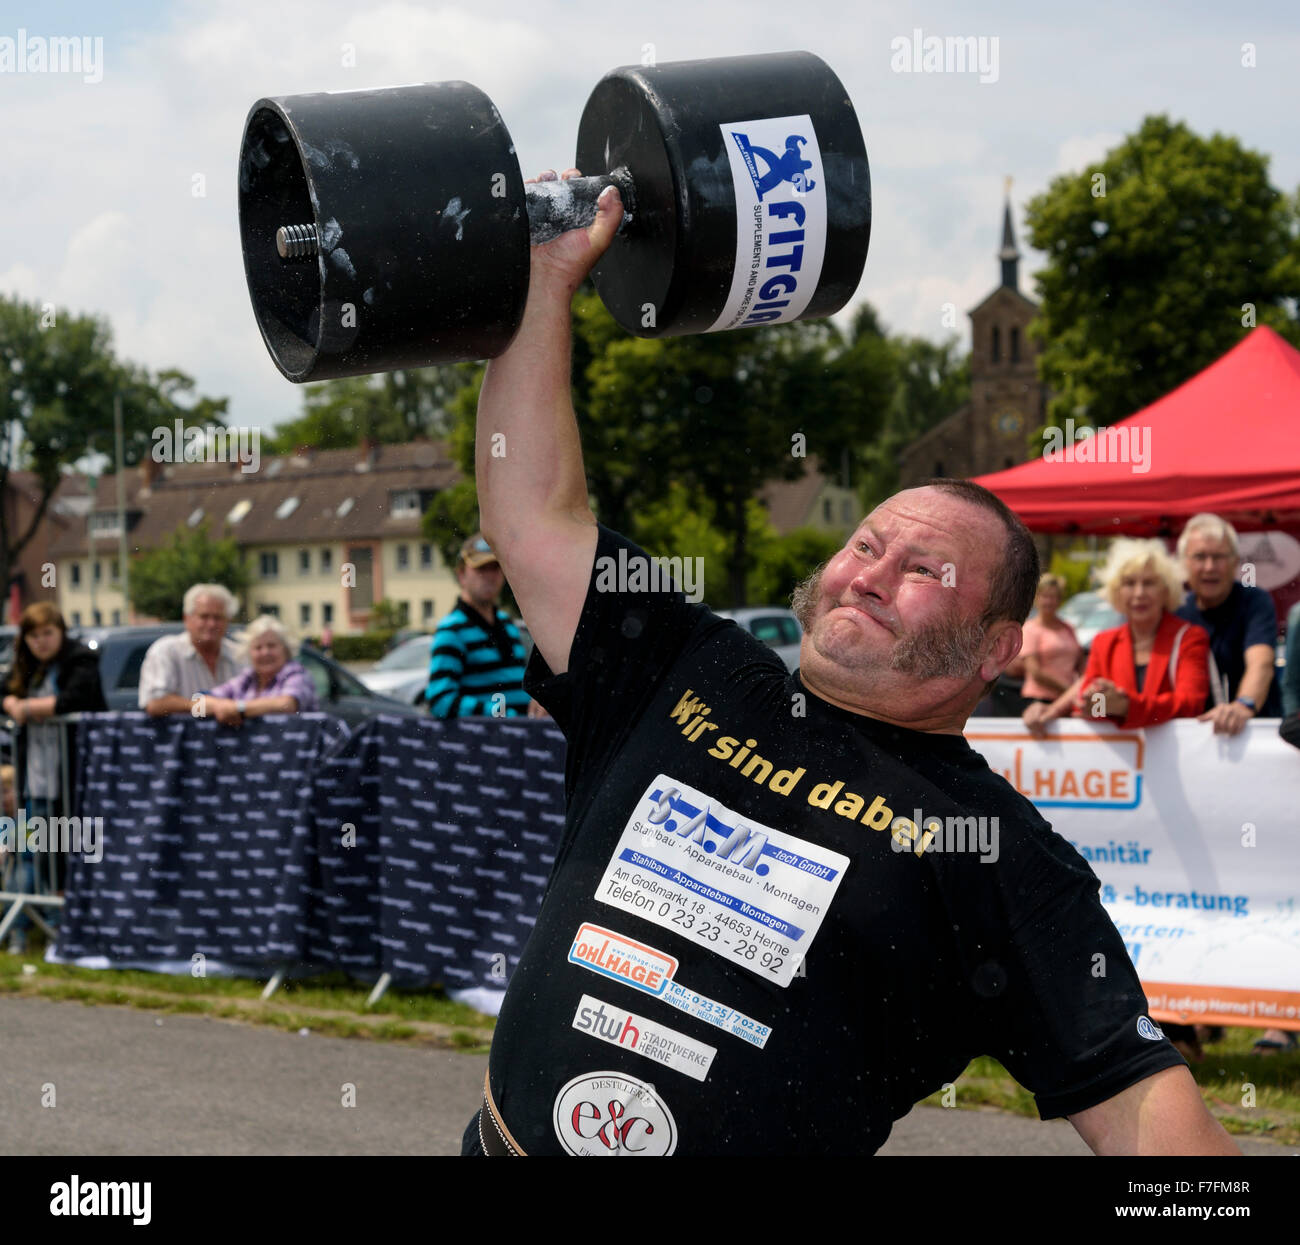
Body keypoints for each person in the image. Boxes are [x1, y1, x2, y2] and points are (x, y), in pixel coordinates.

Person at [459, 170, 1236, 1156]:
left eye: (925, 570)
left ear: (999, 646)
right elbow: (530, 515)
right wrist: (543, 286)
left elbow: (1145, 1110)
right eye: (866, 545)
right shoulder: (681, 666)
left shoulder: (991, 850)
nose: (873, 573)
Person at [1, 603, 106, 953]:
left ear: (60, 631)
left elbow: (74, 699)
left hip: (74, 777)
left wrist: (26, 709)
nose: (41, 642)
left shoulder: (80, 659)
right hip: (36, 778)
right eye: (33, 636)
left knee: (67, 849)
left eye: (47, 633)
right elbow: (5, 690)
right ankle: (28, 929)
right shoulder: (27, 666)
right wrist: (13, 703)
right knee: (32, 849)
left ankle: (67, 928)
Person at [1023, 540, 1209, 736]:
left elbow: (1191, 705)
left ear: (1166, 590)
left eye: (1149, 583)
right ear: (1116, 591)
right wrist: (1099, 703)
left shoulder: (1190, 637)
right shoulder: (1104, 642)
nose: (1139, 593)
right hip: (1120, 762)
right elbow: (1090, 710)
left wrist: (1125, 706)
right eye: (1129, 583)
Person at [1175, 513, 1281, 735]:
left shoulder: (1255, 601)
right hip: (1195, 737)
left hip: (1252, 734)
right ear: (1185, 562)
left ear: (1234, 562)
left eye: (1219, 557)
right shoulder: (1176, 612)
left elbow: (1261, 663)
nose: (1209, 566)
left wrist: (1243, 706)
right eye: (1200, 557)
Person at [424, 534, 531, 719]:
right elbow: (440, 700)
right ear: (461, 575)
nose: (490, 575)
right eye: (481, 568)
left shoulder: (508, 624)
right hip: (487, 743)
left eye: (495, 567)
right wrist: (500, 714)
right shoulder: (451, 631)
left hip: (521, 738)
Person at [193, 615, 317, 726]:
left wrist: (238, 708)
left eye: (271, 646)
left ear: (285, 649)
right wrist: (221, 707)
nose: (265, 652)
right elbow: (197, 705)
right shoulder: (247, 679)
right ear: (249, 653)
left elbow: (286, 704)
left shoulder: (296, 674)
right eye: (258, 647)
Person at [139, 584, 242, 715]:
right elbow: (155, 703)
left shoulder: (239, 655)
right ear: (187, 619)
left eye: (218, 617)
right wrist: (206, 706)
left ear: (228, 621)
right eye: (204, 617)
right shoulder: (166, 651)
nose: (211, 624)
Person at [1018, 573, 1084, 711]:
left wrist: (1086, 685)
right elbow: (1035, 672)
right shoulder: (1030, 629)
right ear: (1037, 599)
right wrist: (1069, 689)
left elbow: (1079, 662)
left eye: (1053, 597)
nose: (1049, 601)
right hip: (1039, 700)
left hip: (1067, 700)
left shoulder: (1068, 627)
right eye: (1045, 596)